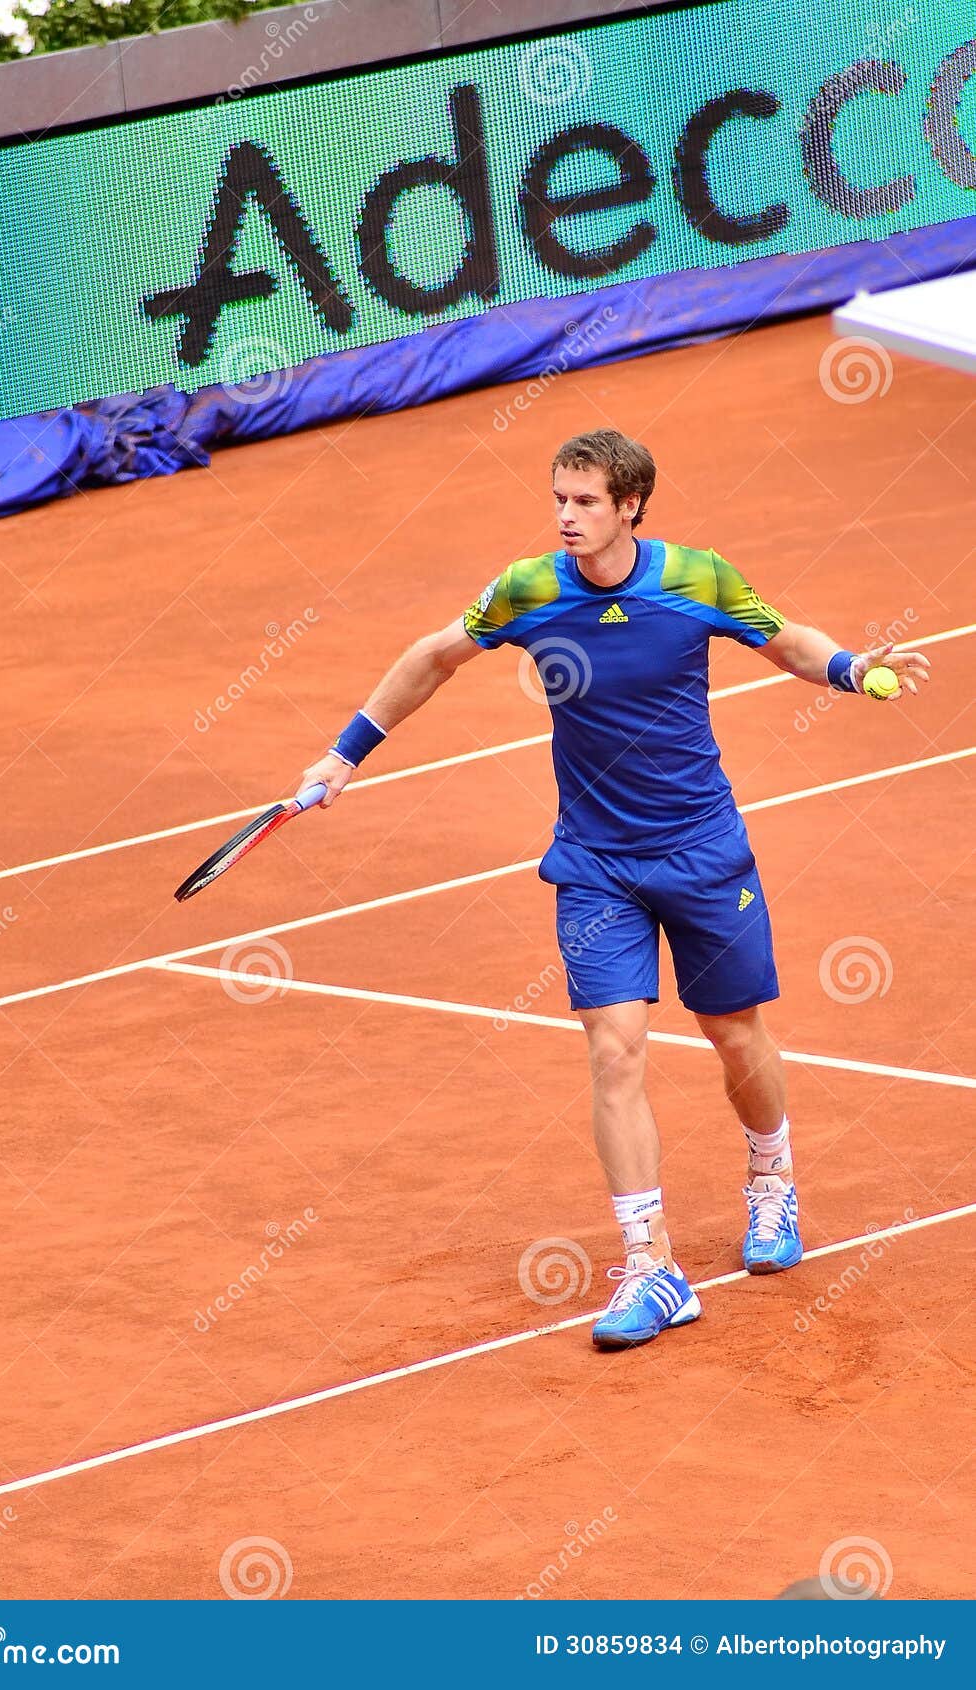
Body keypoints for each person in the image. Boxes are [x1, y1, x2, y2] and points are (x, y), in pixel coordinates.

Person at [298, 430, 930, 1350]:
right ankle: (651, 1265)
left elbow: (785, 638)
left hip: (704, 853)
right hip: (594, 864)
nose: (566, 515)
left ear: (632, 505)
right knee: (616, 1048)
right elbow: (432, 657)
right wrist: (344, 753)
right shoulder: (528, 589)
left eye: (586, 501)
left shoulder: (697, 578)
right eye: (559, 497)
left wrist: (850, 669)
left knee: (733, 1033)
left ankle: (771, 1186)